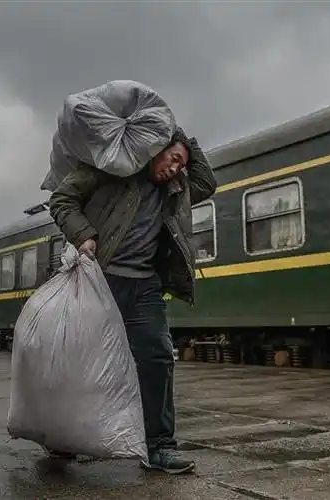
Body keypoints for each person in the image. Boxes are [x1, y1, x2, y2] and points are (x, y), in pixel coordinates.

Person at [48, 126, 217, 474]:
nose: (176, 168)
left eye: (181, 164)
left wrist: (183, 138)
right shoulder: (110, 168)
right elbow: (62, 200)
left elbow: (207, 181)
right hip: (99, 279)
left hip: (144, 287)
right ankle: (61, 436)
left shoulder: (176, 189)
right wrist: (84, 236)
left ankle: (159, 448)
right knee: (81, 362)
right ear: (153, 149)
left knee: (157, 358)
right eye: (172, 158)